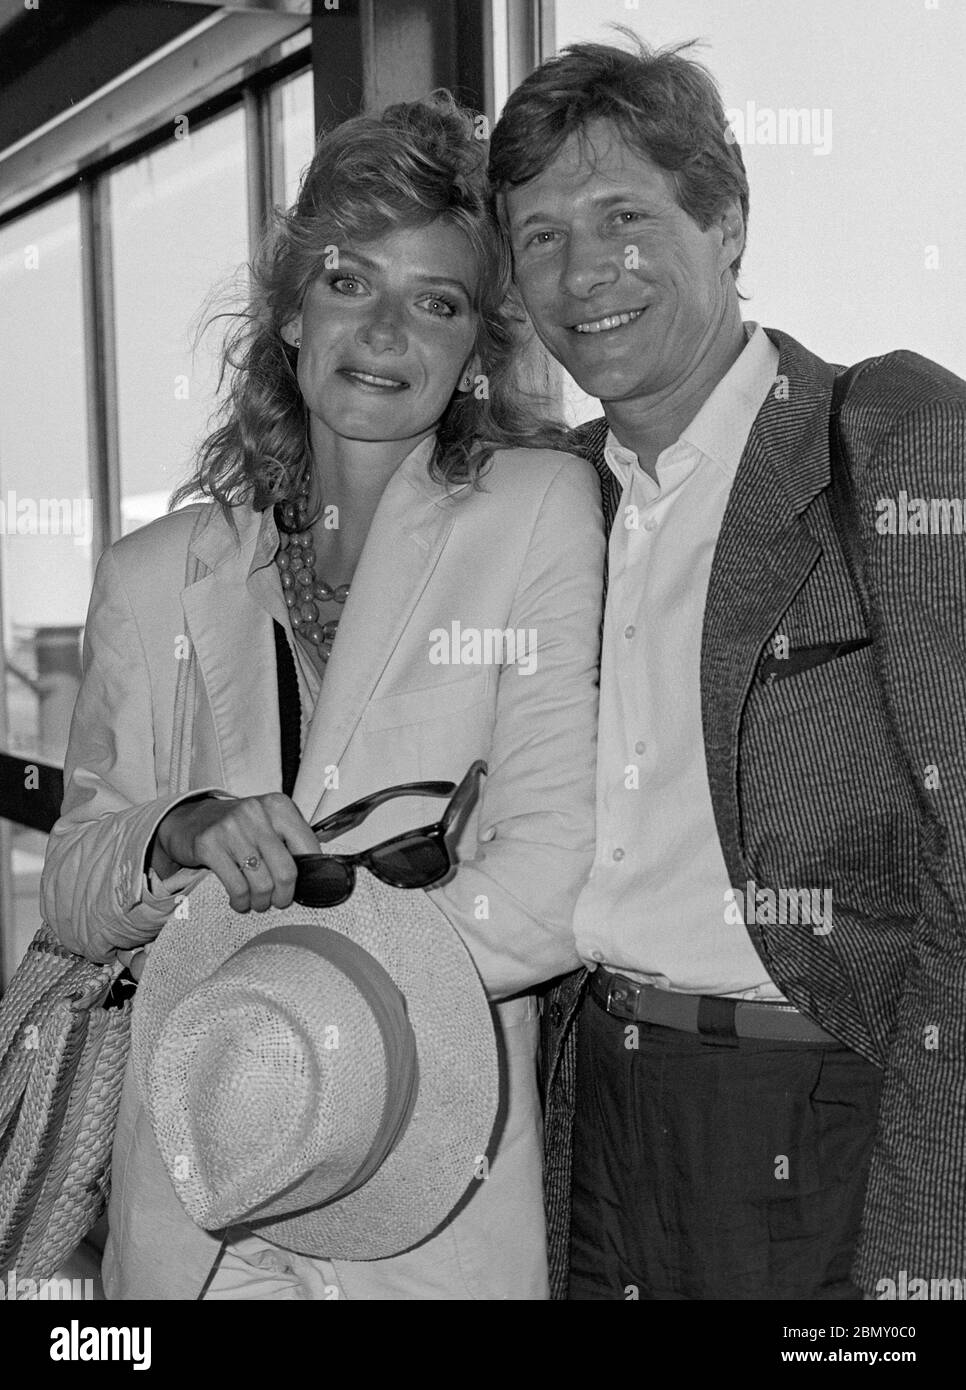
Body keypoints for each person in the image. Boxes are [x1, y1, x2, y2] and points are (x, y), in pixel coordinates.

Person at [40, 92, 604, 1300]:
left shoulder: (538, 514)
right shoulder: (155, 577)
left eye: (436, 302)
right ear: (294, 312)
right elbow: (79, 882)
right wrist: (177, 828)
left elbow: (555, 880)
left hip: (431, 1197)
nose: (388, 330)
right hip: (200, 1195)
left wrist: (303, 998)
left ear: (472, 357)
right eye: (353, 283)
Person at [489, 37, 966, 1300]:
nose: (584, 271)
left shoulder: (891, 441)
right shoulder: (553, 505)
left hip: (819, 1120)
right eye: (539, 236)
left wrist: (929, 1249)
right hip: (597, 1108)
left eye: (625, 216)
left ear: (728, 217)